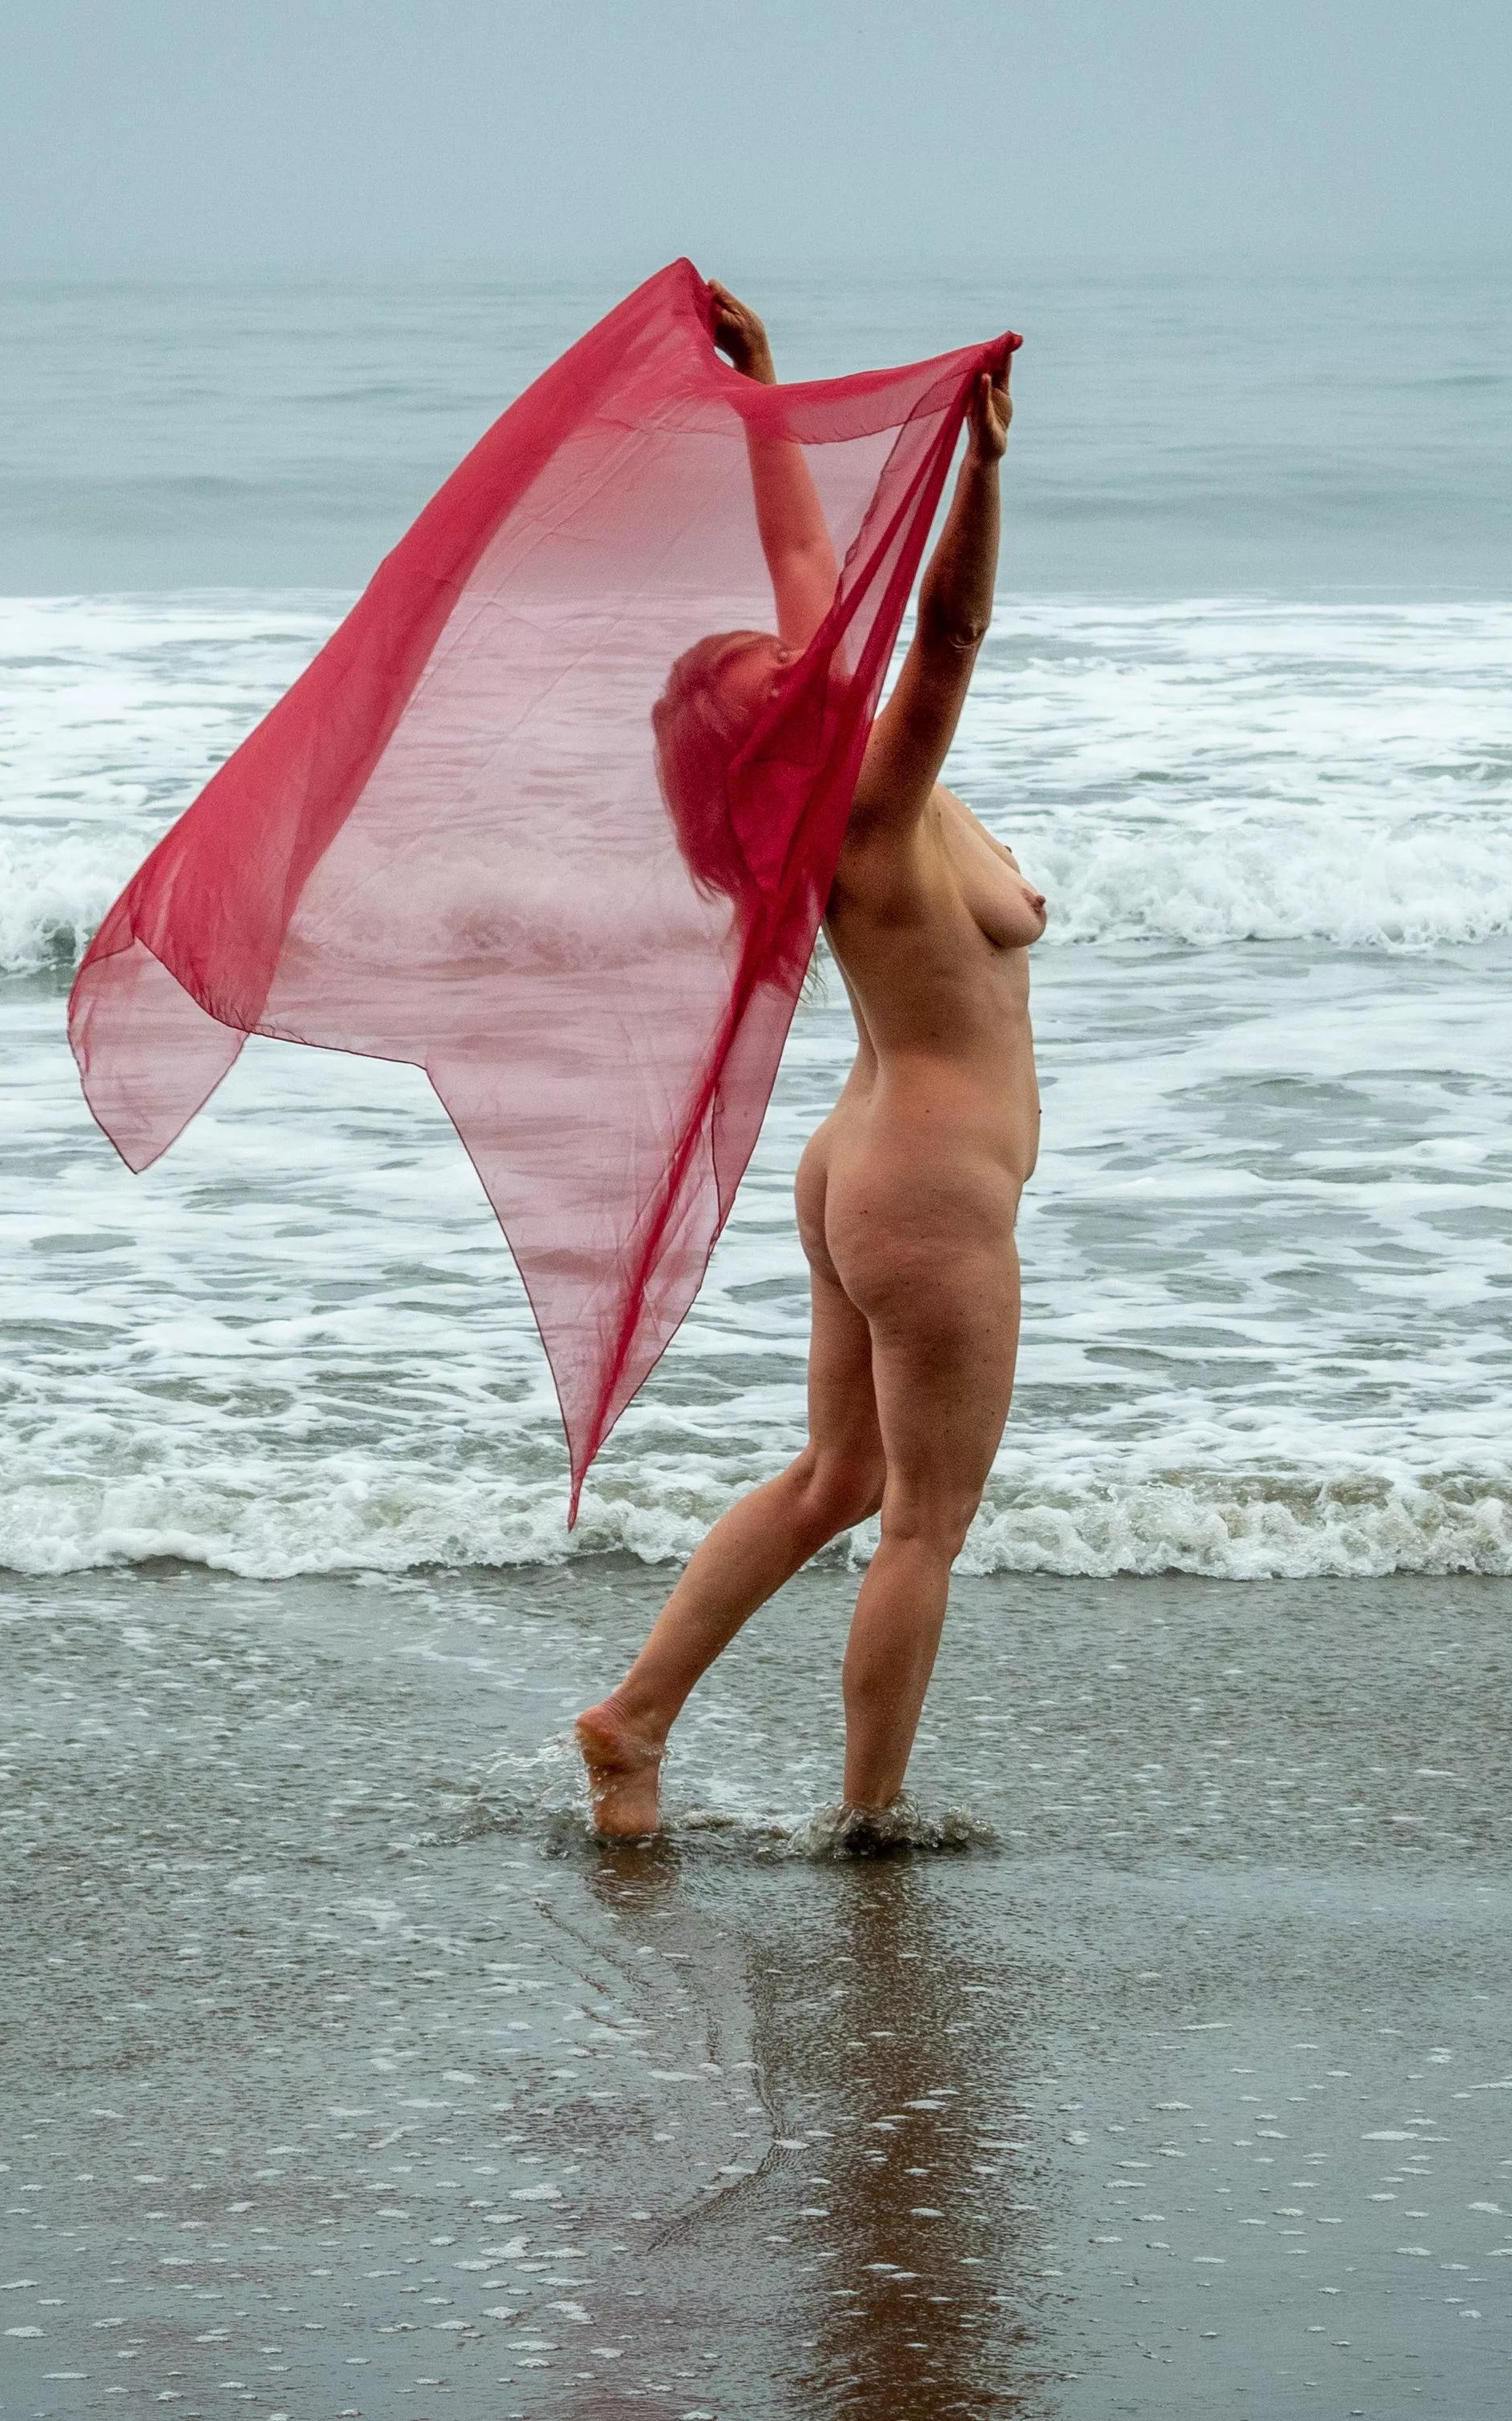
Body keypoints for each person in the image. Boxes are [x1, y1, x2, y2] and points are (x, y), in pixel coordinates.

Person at [576, 283, 1038, 1840]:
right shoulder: (870, 805)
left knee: (839, 1480)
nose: (813, 659)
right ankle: (873, 1826)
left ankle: (632, 1721)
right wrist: (975, 473)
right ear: (777, 740)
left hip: (865, 1161)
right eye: (786, 681)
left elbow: (811, 572)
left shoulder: (822, 799)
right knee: (923, 1524)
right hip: (922, 1186)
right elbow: (951, 628)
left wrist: (767, 399)